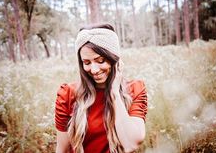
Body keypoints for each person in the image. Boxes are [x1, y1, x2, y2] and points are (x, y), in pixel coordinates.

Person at [55, 23, 148, 153]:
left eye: (100, 61)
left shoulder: (135, 90)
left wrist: (114, 93)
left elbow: (131, 144)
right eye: (87, 63)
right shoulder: (67, 94)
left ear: (114, 59)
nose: (94, 70)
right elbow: (62, 149)